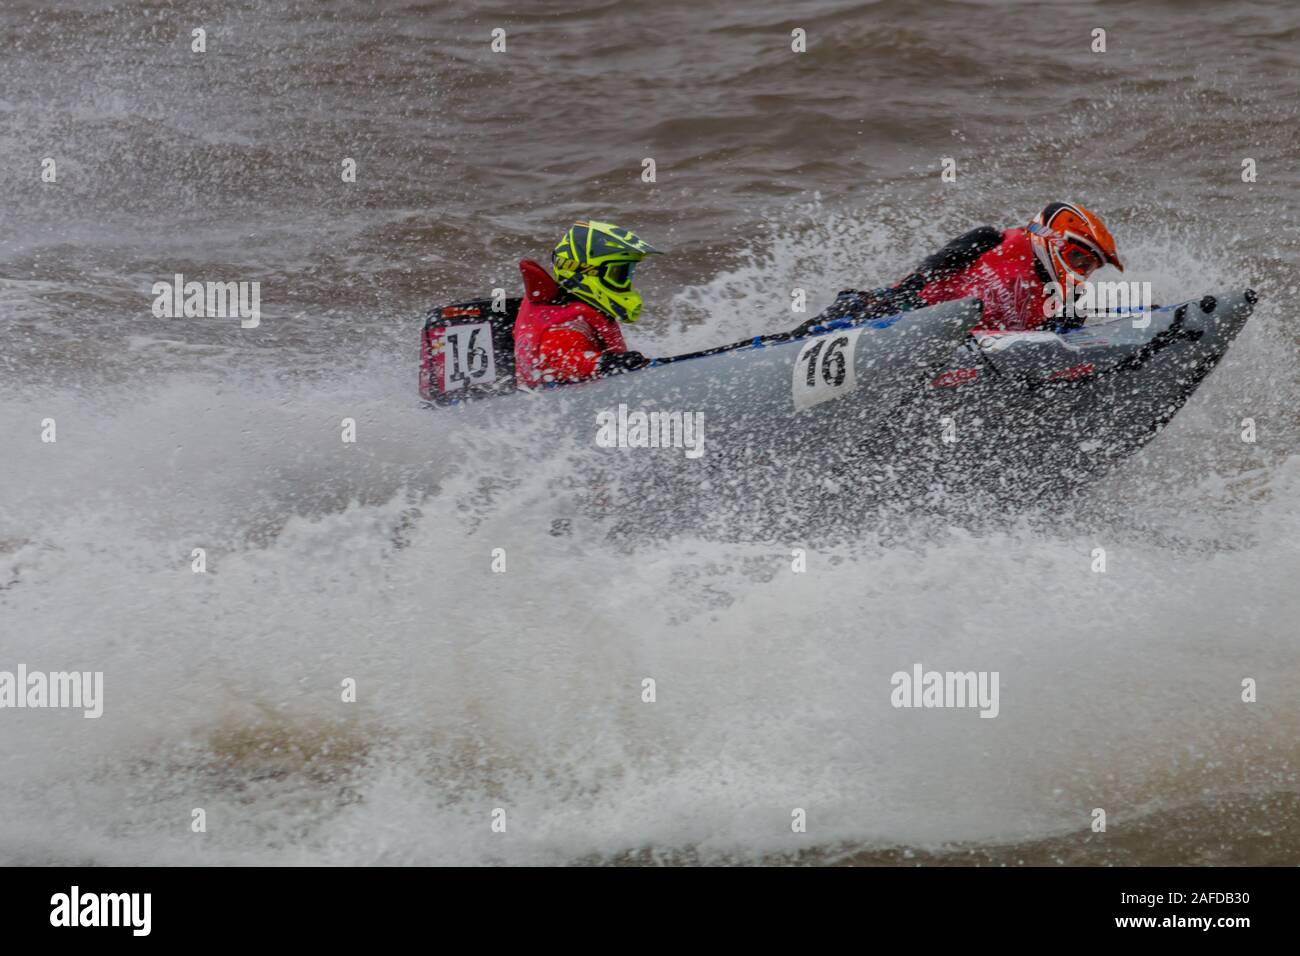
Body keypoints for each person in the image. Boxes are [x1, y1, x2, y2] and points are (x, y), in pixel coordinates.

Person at [804, 202, 1124, 334]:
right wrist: (895, 302)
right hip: (902, 319)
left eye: (1091, 267)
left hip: (964, 359)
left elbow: (1063, 344)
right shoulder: (992, 240)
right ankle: (774, 345)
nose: (1083, 272)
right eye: (1080, 260)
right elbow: (924, 275)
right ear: (1054, 240)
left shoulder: (1066, 301)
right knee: (854, 306)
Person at [513, 220, 660, 386]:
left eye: (628, 274)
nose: (626, 281)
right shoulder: (570, 325)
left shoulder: (563, 308)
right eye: (619, 274)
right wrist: (607, 363)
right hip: (560, 403)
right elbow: (554, 361)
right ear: (586, 272)